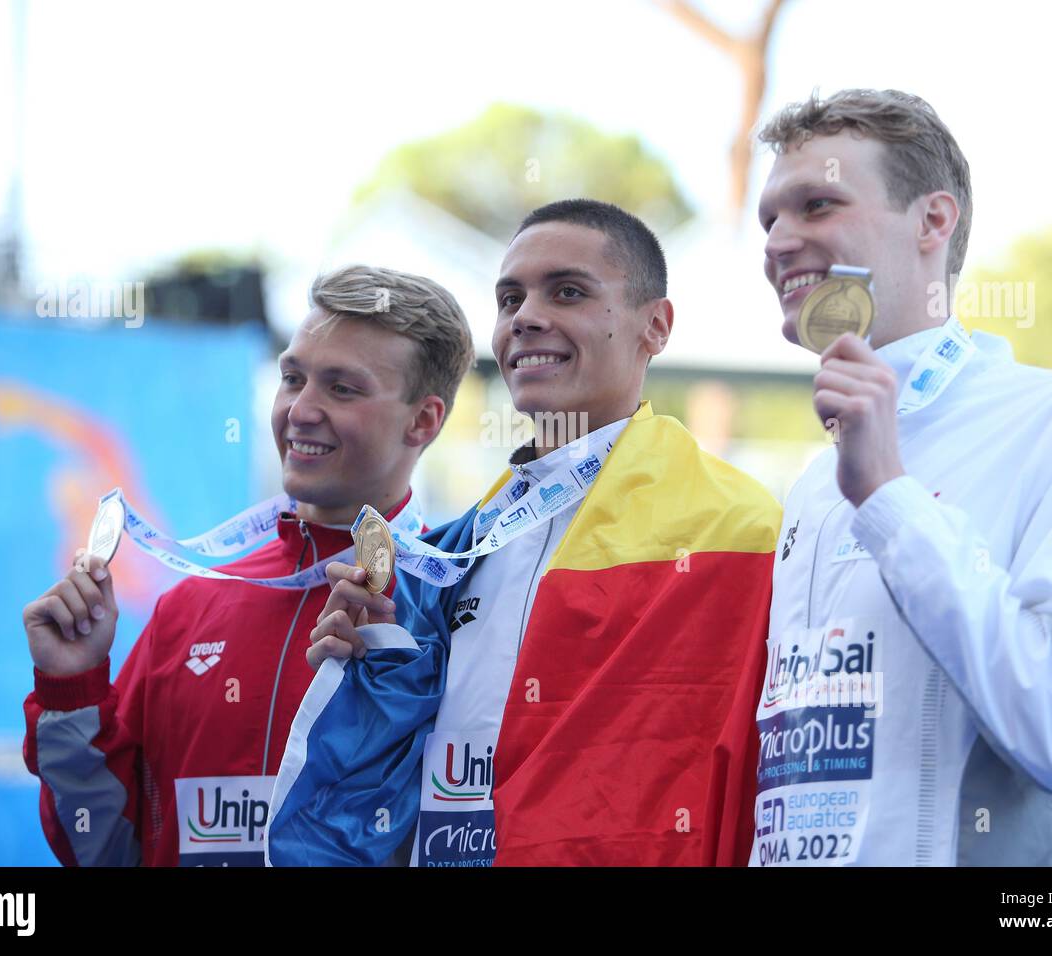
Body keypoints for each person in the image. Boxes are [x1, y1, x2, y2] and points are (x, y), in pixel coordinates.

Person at [735, 88, 1052, 866]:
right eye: (770, 218)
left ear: (934, 221)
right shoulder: (810, 484)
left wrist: (889, 497)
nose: (778, 240)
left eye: (817, 204)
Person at [269, 200, 782, 867]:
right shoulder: (444, 556)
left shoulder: (740, 526)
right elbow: (369, 814)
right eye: (510, 298)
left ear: (655, 327)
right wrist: (376, 676)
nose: (526, 317)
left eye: (567, 291)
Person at [21, 264, 474, 865]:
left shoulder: (453, 613)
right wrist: (73, 686)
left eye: (342, 388)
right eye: (293, 378)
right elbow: (103, 848)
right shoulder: (192, 606)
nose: (300, 410)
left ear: (424, 420)